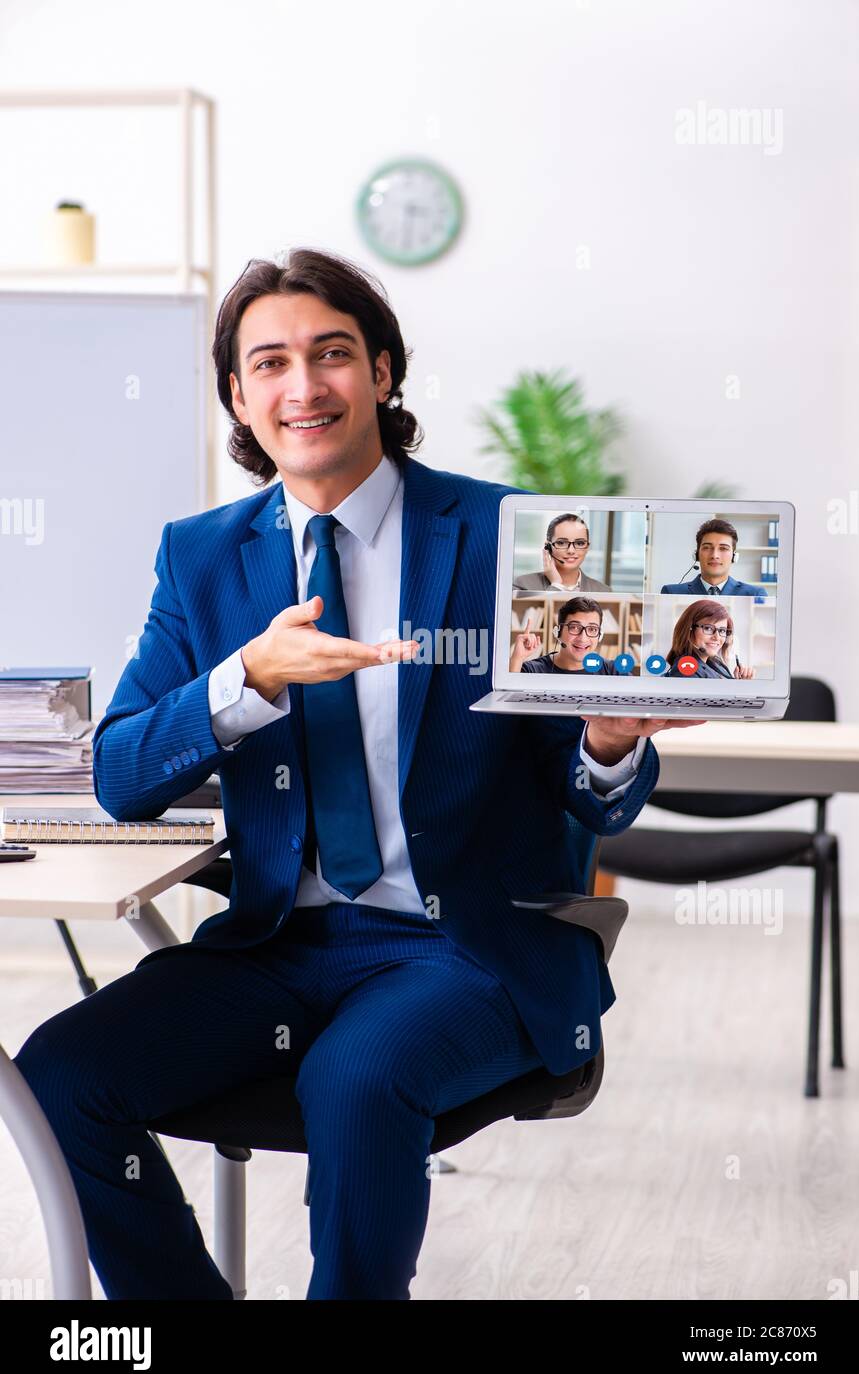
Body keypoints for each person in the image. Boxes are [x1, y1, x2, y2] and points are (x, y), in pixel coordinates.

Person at [13, 248, 702, 1303]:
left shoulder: (502, 536)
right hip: (277, 947)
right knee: (60, 1072)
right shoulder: (203, 557)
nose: (305, 386)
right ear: (240, 398)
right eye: (272, 363)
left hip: (458, 942)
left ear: (382, 372)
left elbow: (581, 783)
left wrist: (608, 739)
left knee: (355, 1078)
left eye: (332, 354)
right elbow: (117, 773)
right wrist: (244, 679)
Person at [510, 597, 626, 674]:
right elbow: (509, 705)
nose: (583, 638)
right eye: (575, 627)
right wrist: (517, 658)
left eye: (592, 629)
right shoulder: (533, 670)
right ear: (558, 632)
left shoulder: (614, 671)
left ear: (599, 636)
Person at [660, 517, 767, 596]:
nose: (714, 555)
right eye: (707, 547)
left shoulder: (754, 594)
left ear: (734, 556)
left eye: (723, 548)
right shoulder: (672, 593)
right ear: (696, 555)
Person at [513, 513, 612, 592]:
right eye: (561, 543)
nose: (571, 551)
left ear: (587, 547)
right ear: (548, 547)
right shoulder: (523, 585)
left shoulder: (603, 591)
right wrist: (556, 585)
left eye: (580, 543)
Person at [663, 598, 755, 678]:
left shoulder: (713, 661)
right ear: (689, 629)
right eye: (708, 628)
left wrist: (741, 685)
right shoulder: (686, 670)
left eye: (722, 630)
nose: (717, 637)